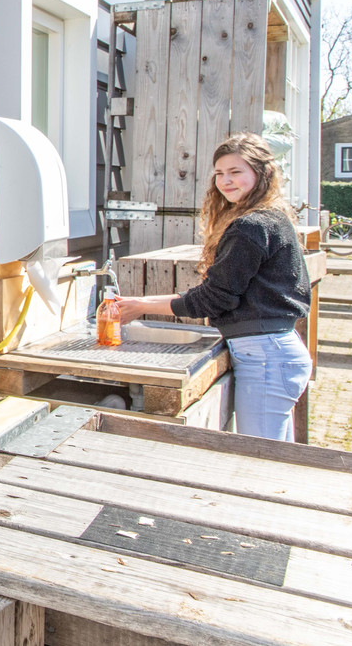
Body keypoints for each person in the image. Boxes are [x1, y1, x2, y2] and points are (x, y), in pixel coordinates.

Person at [116, 132, 311, 441]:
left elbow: (213, 299)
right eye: (219, 173)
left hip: (265, 357)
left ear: (262, 173)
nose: (225, 181)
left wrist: (140, 306)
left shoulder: (251, 226)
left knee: (259, 458)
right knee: (279, 459)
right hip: (275, 351)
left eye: (236, 172)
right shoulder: (271, 218)